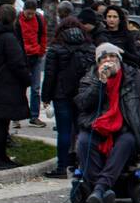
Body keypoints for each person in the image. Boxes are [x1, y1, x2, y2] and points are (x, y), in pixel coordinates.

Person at [73, 42, 140, 203]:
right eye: (104, 58)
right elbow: (83, 104)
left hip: (126, 127)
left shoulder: (137, 77)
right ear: (98, 62)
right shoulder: (89, 79)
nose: (109, 60)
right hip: (97, 127)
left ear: (119, 59)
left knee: (126, 141)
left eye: (112, 56)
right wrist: (100, 83)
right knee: (83, 141)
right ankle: (102, 189)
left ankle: (100, 188)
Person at [39, 17, 97, 178]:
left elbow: (50, 75)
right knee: (82, 131)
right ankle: (82, 165)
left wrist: (45, 97)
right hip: (83, 94)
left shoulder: (56, 48)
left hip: (61, 94)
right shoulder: (89, 48)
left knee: (63, 132)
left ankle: (61, 167)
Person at [0, 4, 30, 170]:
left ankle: (0, 157)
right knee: (2, 124)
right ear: (13, 19)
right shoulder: (8, 37)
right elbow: (17, 63)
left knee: (0, 122)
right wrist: (27, 79)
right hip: (8, 84)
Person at [16, 0, 48, 127]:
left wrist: (41, 50)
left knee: (35, 88)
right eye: (28, 13)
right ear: (23, 10)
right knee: (19, 88)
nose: (30, 16)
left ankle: (34, 116)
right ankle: (16, 116)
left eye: (32, 13)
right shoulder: (17, 21)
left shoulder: (39, 19)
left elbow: (43, 35)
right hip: (22, 56)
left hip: (35, 55)